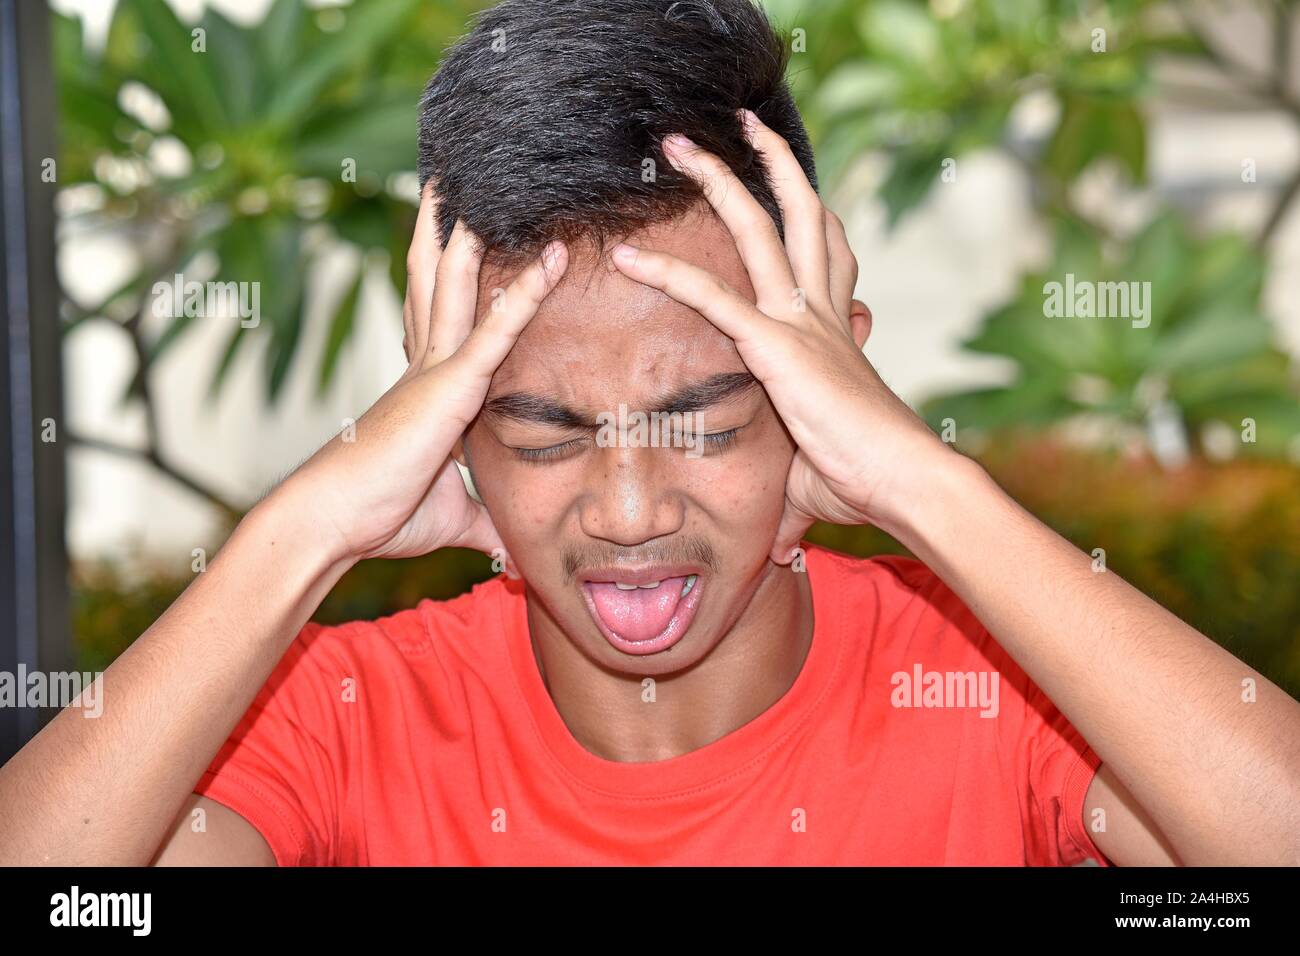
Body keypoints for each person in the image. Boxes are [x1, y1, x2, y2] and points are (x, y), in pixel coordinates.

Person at [2, 0, 1297, 866]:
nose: (627, 513)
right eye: (544, 433)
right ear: (444, 426)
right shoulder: (343, 711)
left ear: (822, 383)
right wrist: (306, 531)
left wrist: (926, 492)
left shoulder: (993, 681)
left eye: (706, 420)